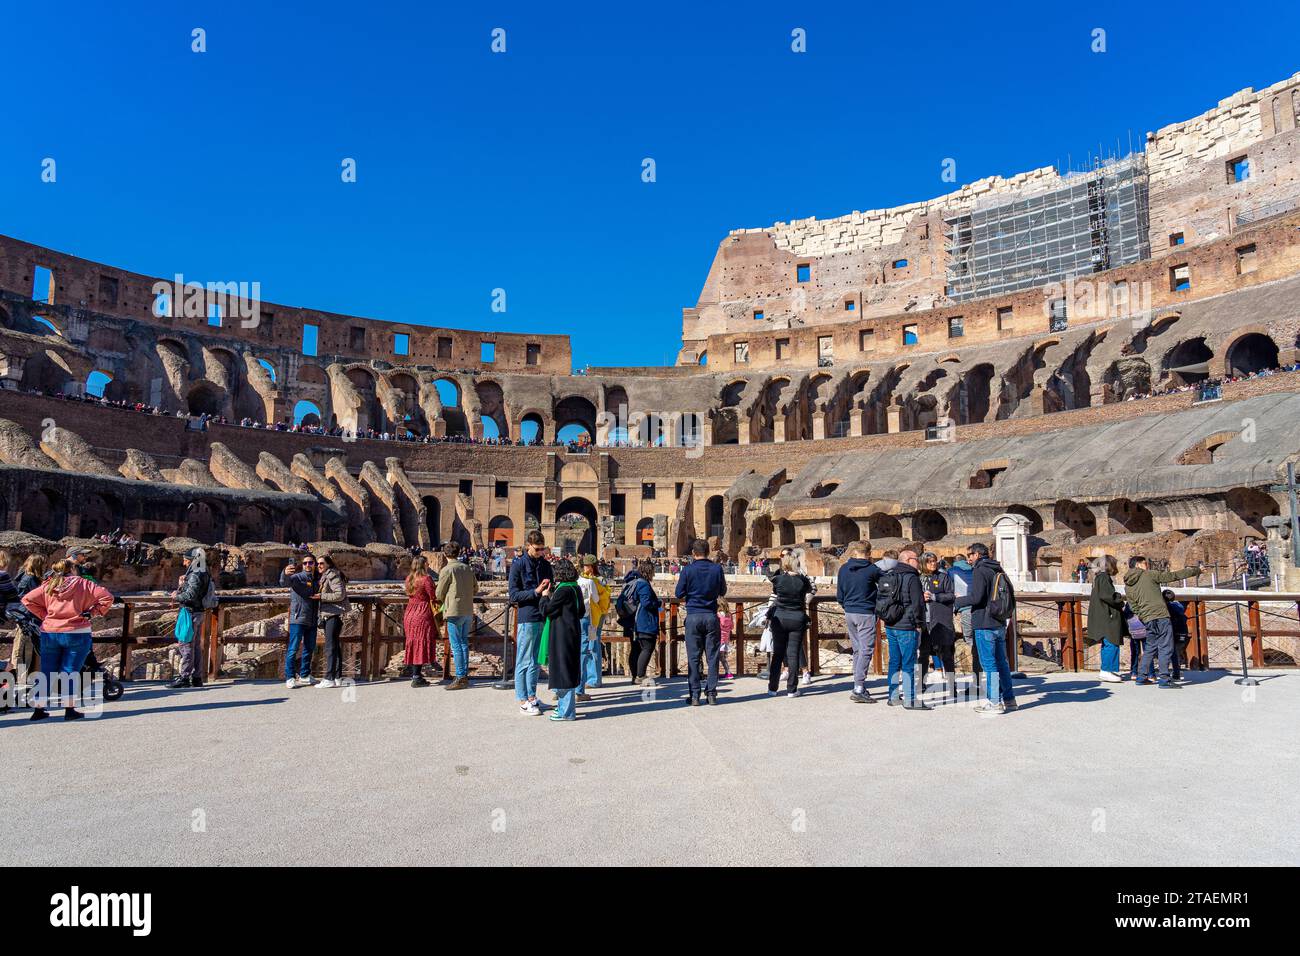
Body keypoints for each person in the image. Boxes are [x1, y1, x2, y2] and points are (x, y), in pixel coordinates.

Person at [21, 559, 114, 721]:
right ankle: (69, 710)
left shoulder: (49, 585)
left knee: (47, 671)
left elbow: (27, 600)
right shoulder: (83, 584)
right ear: (72, 570)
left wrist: (45, 616)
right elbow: (107, 597)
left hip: (50, 632)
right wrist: (92, 612)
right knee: (70, 671)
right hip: (76, 632)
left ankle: (38, 710)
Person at [953, 542, 1017, 716]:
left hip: (984, 622)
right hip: (998, 621)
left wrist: (957, 601)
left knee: (989, 664)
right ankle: (1009, 699)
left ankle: (994, 701)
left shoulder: (980, 570)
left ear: (978, 555)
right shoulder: (997, 568)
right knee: (1002, 663)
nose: (968, 559)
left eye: (970, 555)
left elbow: (977, 597)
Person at [1123, 556, 1201, 688]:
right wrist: (1196, 571)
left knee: (1150, 647)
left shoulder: (1127, 585)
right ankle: (1164, 679)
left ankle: (1141, 677)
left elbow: (1133, 605)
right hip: (1160, 615)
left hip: (1147, 618)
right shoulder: (1149, 575)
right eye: (1145, 563)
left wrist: (1143, 615)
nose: (1147, 565)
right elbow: (1173, 576)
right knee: (1166, 646)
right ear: (1138, 565)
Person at [674, 538, 728, 706]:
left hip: (693, 616)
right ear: (708, 552)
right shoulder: (717, 569)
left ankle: (695, 695)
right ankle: (711, 694)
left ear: (693, 553)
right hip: (711, 616)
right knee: (712, 657)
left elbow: (678, 593)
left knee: (694, 658)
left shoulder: (688, 570)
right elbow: (723, 591)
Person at [876, 548, 929, 710]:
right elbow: (917, 604)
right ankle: (910, 699)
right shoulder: (911, 577)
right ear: (907, 560)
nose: (918, 561)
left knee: (894, 662)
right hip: (907, 626)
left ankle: (893, 697)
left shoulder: (890, 574)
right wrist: (919, 624)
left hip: (891, 624)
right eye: (915, 558)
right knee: (908, 663)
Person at [508, 530, 554, 714]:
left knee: (535, 661)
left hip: (541, 615)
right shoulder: (518, 565)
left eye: (543, 549)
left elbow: (553, 585)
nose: (541, 552)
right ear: (528, 546)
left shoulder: (545, 565)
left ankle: (532, 696)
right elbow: (513, 595)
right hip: (527, 617)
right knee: (524, 660)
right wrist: (535, 592)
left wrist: (548, 591)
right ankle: (522, 699)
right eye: (537, 549)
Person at [836, 541, 882, 704]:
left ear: (855, 551)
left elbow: (839, 593)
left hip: (849, 612)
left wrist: (846, 605)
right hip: (865, 612)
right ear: (869, 553)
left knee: (857, 649)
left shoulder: (843, 569)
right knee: (866, 649)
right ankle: (859, 688)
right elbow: (884, 586)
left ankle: (857, 684)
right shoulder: (872, 569)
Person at [539, 558, 585, 722]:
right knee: (569, 669)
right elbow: (581, 611)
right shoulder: (575, 588)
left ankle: (566, 712)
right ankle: (566, 708)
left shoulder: (563, 590)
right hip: (573, 632)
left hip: (561, 635)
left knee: (562, 671)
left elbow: (547, 610)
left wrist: (545, 597)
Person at [766, 553, 813, 697]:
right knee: (793, 655)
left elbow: (775, 592)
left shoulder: (778, 579)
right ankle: (792, 689)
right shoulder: (803, 581)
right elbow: (809, 590)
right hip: (797, 619)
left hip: (779, 618)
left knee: (778, 654)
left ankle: (772, 688)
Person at [436, 543, 478, 690]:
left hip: (454, 611)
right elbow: (476, 588)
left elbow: (439, 593)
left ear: (445, 554)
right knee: (463, 643)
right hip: (467, 610)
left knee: (456, 645)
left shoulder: (447, 570)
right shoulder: (467, 568)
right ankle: (464, 675)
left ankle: (460, 676)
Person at [169, 547, 211, 689]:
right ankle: (197, 677)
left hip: (190, 612)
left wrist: (176, 595)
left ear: (193, 560)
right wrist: (184, 583)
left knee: (186, 644)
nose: (184, 563)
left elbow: (190, 596)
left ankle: (185, 677)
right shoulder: (204, 571)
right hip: (199, 612)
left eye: (186, 560)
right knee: (196, 646)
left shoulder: (195, 574)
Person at [919, 551, 957, 704]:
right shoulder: (917, 578)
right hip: (924, 623)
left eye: (934, 561)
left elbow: (951, 595)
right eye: (929, 561)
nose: (933, 564)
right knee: (923, 654)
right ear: (923, 563)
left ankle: (952, 685)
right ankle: (920, 683)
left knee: (946, 654)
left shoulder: (943, 576)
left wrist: (935, 597)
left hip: (941, 621)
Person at [617, 561, 661, 686]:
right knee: (648, 647)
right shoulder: (644, 585)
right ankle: (640, 676)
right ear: (649, 571)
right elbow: (646, 603)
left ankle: (635, 676)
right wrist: (658, 603)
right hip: (644, 621)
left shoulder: (634, 583)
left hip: (633, 622)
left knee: (635, 649)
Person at [281, 555, 320, 688]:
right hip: (298, 618)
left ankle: (304, 675)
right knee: (293, 649)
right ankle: (290, 677)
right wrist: (284, 573)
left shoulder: (318, 579)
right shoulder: (297, 577)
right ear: (302, 565)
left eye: (310, 562)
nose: (308, 565)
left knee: (309, 648)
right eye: (305, 563)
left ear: (314, 564)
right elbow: (285, 582)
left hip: (312, 619)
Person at [1087, 555, 1127, 683]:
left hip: (1101, 614)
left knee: (1107, 643)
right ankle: (1106, 670)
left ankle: (1106, 670)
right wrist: (1119, 599)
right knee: (1112, 642)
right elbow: (1107, 595)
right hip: (1107, 615)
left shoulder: (1098, 578)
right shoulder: (1104, 578)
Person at [402, 556, 438, 688]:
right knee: (420, 642)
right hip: (422, 612)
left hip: (410, 613)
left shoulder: (409, 579)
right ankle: (416, 677)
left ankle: (416, 675)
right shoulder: (426, 579)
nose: (429, 564)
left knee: (413, 642)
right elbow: (433, 596)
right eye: (427, 563)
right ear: (423, 565)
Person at [577, 554, 609, 699]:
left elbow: (600, 598)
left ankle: (594, 679)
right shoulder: (585, 579)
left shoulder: (600, 580)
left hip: (596, 615)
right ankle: (590, 677)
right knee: (588, 645)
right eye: (584, 565)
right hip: (589, 615)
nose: (585, 568)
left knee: (593, 645)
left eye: (587, 565)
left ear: (593, 566)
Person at [317, 554, 350, 689]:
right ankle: (337, 677)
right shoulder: (327, 575)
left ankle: (329, 677)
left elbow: (339, 594)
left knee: (330, 647)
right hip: (332, 614)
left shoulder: (332, 575)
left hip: (333, 614)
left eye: (321, 563)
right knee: (334, 646)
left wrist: (321, 596)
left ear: (328, 564)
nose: (319, 566)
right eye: (318, 563)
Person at [1163, 589, 1190, 683]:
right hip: (1183, 631)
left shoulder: (1167, 607)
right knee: (1177, 652)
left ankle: (1166, 673)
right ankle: (1176, 674)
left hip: (1171, 631)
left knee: (1169, 652)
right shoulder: (1180, 606)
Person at [717, 606, 734, 680]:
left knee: (715, 658)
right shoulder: (729, 615)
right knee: (722, 657)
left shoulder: (718, 614)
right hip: (726, 639)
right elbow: (732, 627)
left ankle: (715, 674)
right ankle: (728, 673)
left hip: (718, 639)